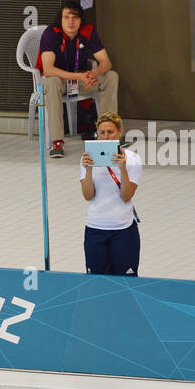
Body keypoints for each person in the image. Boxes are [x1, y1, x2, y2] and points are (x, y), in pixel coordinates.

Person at [35, 1, 119, 158]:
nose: (71, 21)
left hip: (80, 81)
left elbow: (106, 62)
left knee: (111, 76)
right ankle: (57, 141)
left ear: (81, 20)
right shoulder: (51, 33)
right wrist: (80, 76)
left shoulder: (88, 32)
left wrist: (94, 73)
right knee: (52, 82)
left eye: (75, 17)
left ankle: (108, 136)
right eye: (66, 17)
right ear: (60, 19)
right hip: (59, 81)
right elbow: (48, 69)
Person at [80, 112, 141, 275]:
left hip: (123, 229)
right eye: (102, 132)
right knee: (98, 284)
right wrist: (88, 170)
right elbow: (88, 195)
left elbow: (126, 196)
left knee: (126, 283)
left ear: (120, 132)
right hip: (95, 228)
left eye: (110, 132)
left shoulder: (133, 159)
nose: (106, 137)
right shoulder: (87, 159)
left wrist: (122, 168)